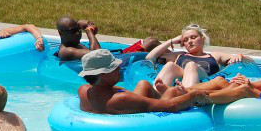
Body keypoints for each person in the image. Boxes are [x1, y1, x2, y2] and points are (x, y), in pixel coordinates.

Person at [77, 49, 209, 115]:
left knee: (144, 84)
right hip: (144, 124)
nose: (119, 68)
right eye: (114, 67)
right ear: (102, 74)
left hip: (126, 109)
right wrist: (194, 95)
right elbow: (170, 107)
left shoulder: (83, 90)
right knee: (173, 91)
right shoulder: (121, 98)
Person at [146, 24, 246, 91]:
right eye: (185, 40)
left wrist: (239, 56)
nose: (189, 41)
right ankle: (158, 96)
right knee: (170, 65)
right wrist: (171, 41)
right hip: (180, 81)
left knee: (191, 66)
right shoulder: (179, 55)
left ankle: (186, 96)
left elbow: (247, 60)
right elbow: (150, 58)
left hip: (203, 82)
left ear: (203, 39)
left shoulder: (214, 55)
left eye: (193, 37)